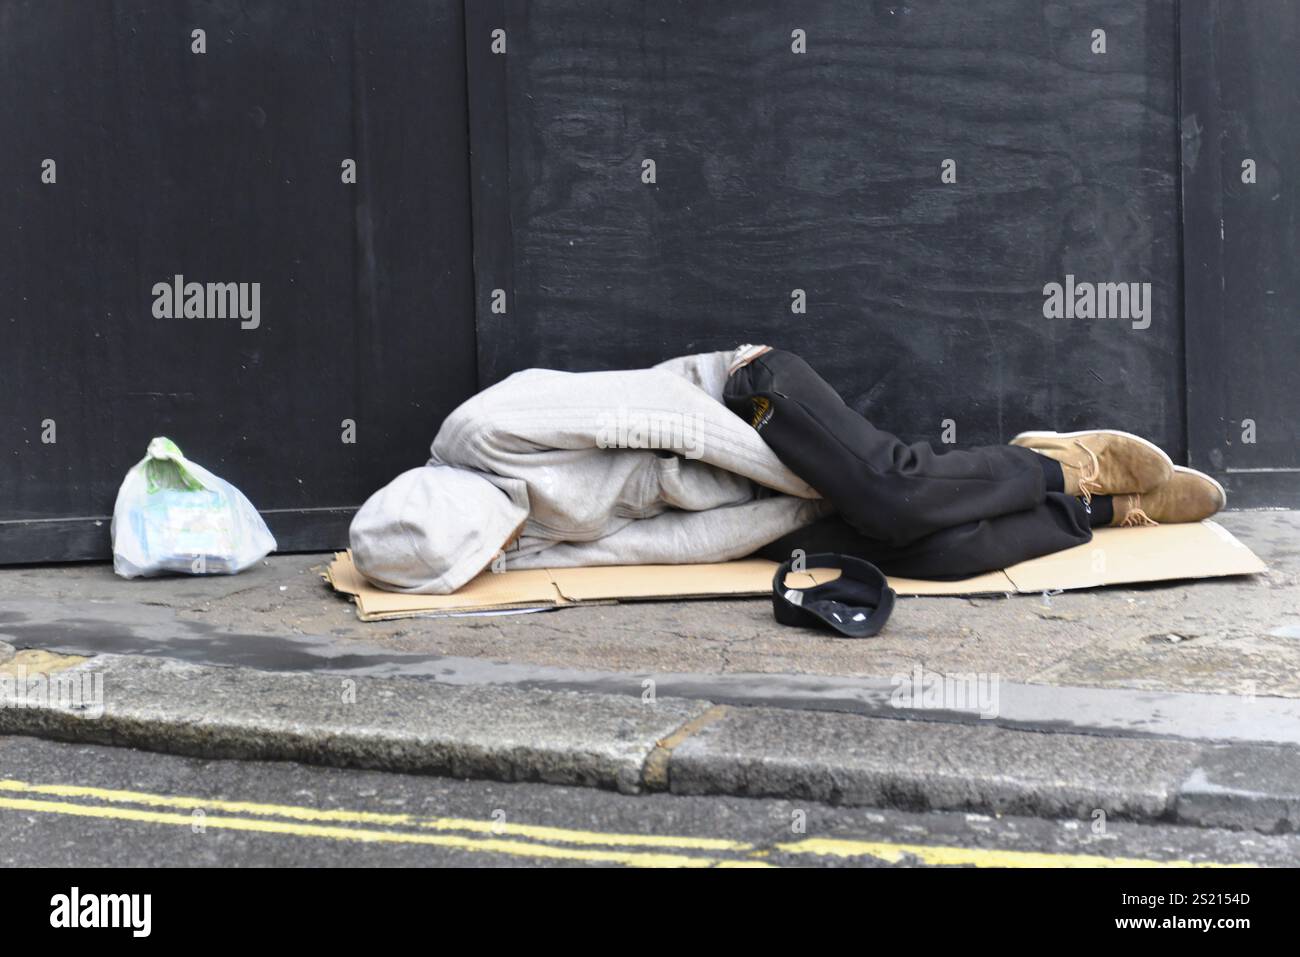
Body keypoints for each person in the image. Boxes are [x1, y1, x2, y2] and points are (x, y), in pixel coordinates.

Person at [724, 346, 1226, 580]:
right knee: (948, 552)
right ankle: (1098, 507)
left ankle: (1061, 466)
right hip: (747, 518)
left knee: (893, 494)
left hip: (743, 395)